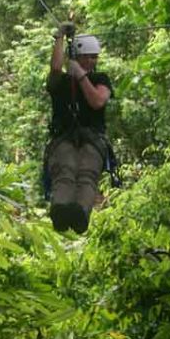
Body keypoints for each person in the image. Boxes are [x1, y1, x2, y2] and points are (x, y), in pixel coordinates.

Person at [45, 23, 112, 233]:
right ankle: (60, 211)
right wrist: (59, 37)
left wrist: (81, 76)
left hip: (92, 139)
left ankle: (81, 212)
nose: (92, 61)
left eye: (95, 57)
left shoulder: (100, 80)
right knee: (65, 170)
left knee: (86, 173)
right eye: (88, 57)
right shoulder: (60, 82)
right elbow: (55, 68)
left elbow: (97, 101)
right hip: (64, 137)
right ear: (77, 57)